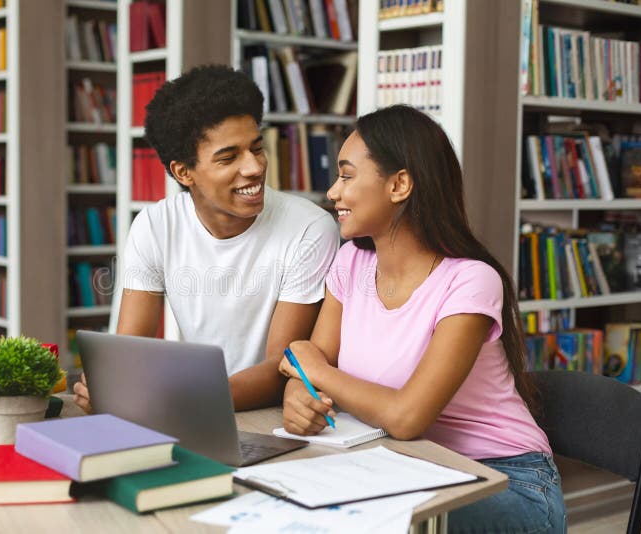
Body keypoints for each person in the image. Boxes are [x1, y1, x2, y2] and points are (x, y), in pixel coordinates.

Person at [278, 105, 566, 533]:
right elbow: (308, 366)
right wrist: (298, 395)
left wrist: (316, 371)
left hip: (504, 479)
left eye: (347, 175)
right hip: (405, 464)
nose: (333, 192)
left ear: (399, 184)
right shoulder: (350, 263)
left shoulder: (471, 281)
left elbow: (406, 417)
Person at [74, 65, 339, 413]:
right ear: (184, 173)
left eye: (256, 148)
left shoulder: (309, 229)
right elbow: (128, 349)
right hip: (193, 409)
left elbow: (283, 366)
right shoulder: (154, 225)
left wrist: (174, 399)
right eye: (229, 157)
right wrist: (110, 385)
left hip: (271, 415)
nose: (255, 167)